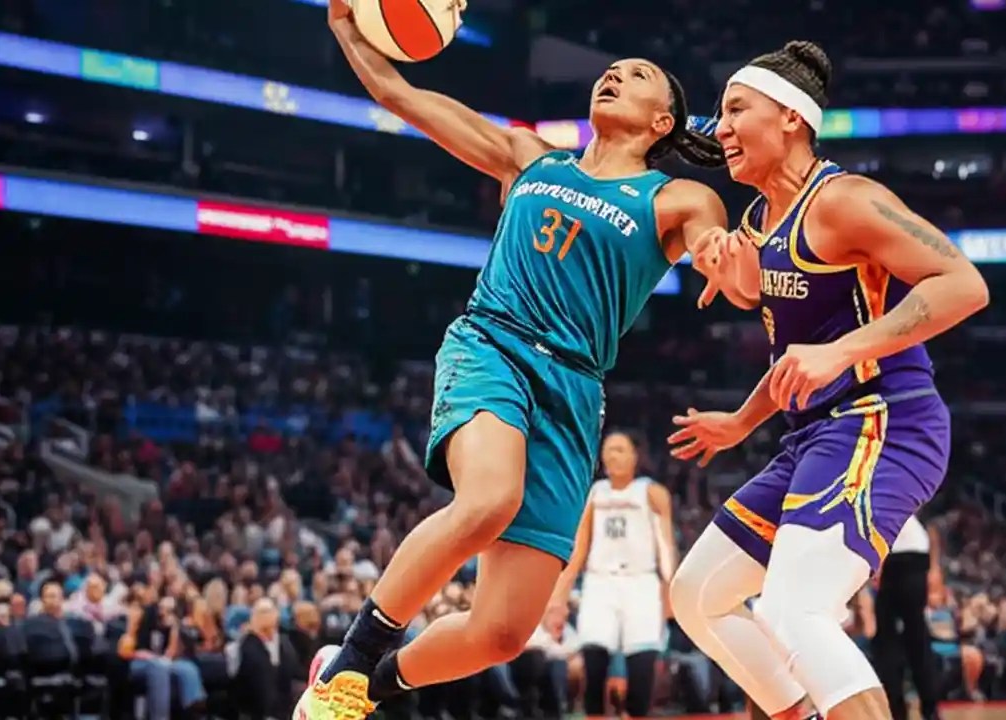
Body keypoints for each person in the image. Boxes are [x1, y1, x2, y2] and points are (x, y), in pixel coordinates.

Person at [298, 2, 729, 717]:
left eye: (638, 74)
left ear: (663, 125)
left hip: (573, 387)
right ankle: (349, 665)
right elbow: (401, 94)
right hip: (494, 343)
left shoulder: (675, 197)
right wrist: (347, 27)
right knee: (489, 499)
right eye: (612, 70)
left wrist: (724, 256)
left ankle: (371, 685)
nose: (615, 75)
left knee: (501, 631)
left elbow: (726, 258)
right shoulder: (529, 156)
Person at [667, 41, 989, 720]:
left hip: (884, 418)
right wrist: (739, 422)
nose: (719, 126)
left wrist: (845, 349)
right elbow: (789, 343)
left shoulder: (844, 200)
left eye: (735, 109)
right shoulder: (761, 221)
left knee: (796, 607)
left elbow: (964, 284)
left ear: (790, 117)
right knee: (695, 595)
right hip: (815, 433)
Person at [553, 430, 678, 718]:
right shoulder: (595, 493)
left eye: (620, 449)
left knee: (642, 663)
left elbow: (665, 544)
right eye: (608, 450)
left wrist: (669, 587)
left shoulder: (651, 492)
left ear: (635, 456)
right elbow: (580, 547)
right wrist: (560, 593)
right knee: (593, 659)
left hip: (642, 581)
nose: (612, 455)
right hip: (600, 582)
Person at [873, 514, 946, 719]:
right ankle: (929, 709)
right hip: (909, 560)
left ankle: (899, 710)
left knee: (890, 642)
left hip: (894, 559)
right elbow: (932, 532)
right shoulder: (916, 503)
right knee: (916, 638)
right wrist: (934, 568)